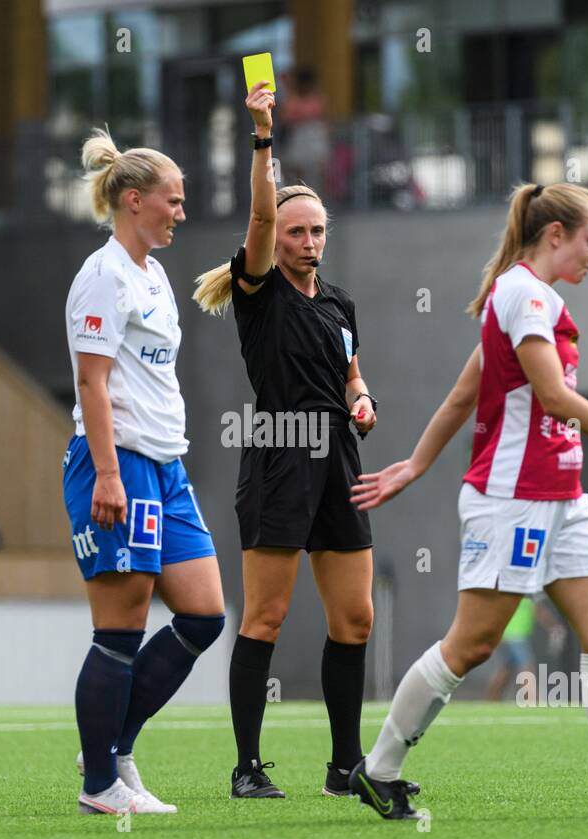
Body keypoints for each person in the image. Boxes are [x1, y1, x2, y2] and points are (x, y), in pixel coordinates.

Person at [347, 182, 588, 820]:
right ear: (556, 235)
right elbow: (551, 398)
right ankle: (377, 771)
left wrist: (416, 464)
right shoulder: (524, 293)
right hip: (511, 502)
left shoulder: (527, 298)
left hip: (565, 499)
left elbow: (466, 394)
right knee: (471, 645)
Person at [193, 81, 380, 800]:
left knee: (355, 617)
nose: (309, 241)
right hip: (279, 448)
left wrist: (362, 400)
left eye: (318, 232)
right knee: (267, 615)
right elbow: (261, 212)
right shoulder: (259, 287)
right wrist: (264, 134)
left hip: (338, 454)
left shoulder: (338, 302)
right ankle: (246, 767)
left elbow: (353, 375)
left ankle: (344, 768)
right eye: (298, 232)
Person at [64, 129, 226, 815]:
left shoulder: (153, 273)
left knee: (204, 614)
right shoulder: (102, 275)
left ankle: (112, 747)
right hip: (119, 463)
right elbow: (91, 383)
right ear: (135, 201)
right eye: (174, 201)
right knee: (121, 629)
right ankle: (99, 784)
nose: (181, 213)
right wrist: (107, 474)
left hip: (167, 464)